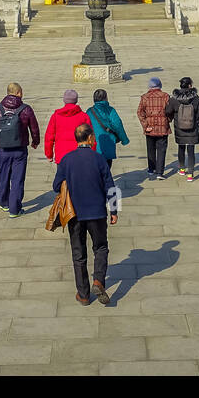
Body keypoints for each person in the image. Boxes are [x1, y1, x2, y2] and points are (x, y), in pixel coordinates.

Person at [53, 124, 118, 305]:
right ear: (89, 138)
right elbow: (111, 187)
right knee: (101, 247)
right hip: (97, 212)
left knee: (78, 253)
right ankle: (98, 280)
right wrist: (114, 211)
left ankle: (83, 294)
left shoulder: (67, 160)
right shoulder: (99, 159)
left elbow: (56, 186)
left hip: (75, 214)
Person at [0, 82, 40, 217]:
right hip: (20, 149)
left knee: (4, 175)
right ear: (19, 93)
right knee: (17, 179)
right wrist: (35, 141)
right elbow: (34, 128)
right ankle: (15, 209)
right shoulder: (26, 109)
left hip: (3, 149)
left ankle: (4, 202)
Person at [164, 76, 199, 182]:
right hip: (192, 127)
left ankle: (182, 169)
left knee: (181, 148)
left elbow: (168, 111)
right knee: (191, 151)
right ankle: (190, 174)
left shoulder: (174, 98)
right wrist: (196, 122)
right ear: (190, 85)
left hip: (179, 127)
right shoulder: (196, 98)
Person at [86, 89, 130, 172]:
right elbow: (118, 125)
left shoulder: (89, 111)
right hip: (108, 142)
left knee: (96, 168)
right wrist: (124, 140)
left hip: (94, 144)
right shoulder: (110, 110)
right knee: (107, 167)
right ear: (106, 98)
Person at [136, 77, 171, 180]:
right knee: (161, 150)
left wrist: (145, 124)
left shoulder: (145, 97)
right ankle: (160, 172)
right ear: (160, 85)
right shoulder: (165, 96)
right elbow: (170, 111)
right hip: (162, 128)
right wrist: (167, 120)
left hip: (149, 128)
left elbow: (140, 112)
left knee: (150, 149)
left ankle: (151, 169)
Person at [44, 90, 89, 165]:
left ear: (64, 100)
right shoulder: (84, 116)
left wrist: (49, 155)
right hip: (79, 157)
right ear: (76, 100)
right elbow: (90, 137)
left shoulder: (55, 116)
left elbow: (49, 137)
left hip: (61, 157)